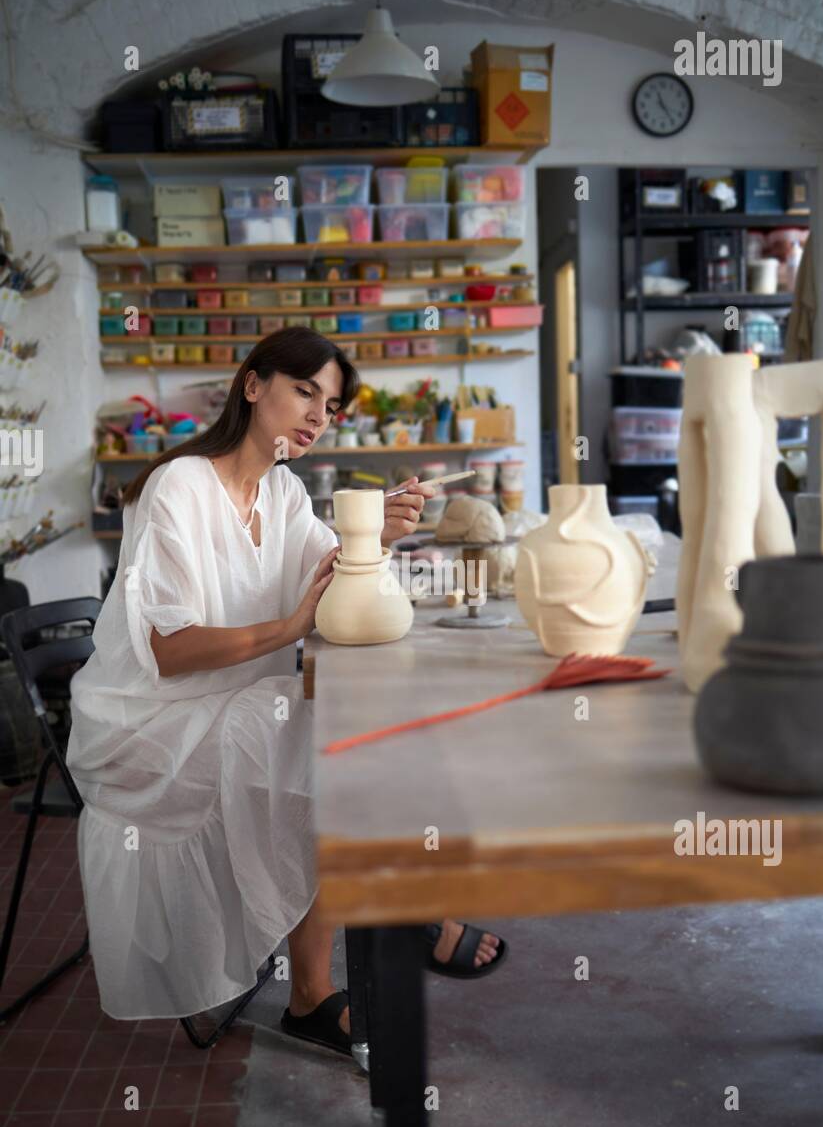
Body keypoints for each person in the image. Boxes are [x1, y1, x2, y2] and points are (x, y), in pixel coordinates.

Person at [67, 329, 506, 1057]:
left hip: (236, 706)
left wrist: (379, 533)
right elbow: (170, 652)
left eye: (330, 407)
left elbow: (331, 577)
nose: (317, 416)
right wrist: (291, 625)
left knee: (337, 734)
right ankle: (386, 914)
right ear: (252, 384)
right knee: (321, 747)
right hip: (148, 726)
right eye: (305, 391)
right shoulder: (179, 486)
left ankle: (331, 971)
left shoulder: (284, 488)